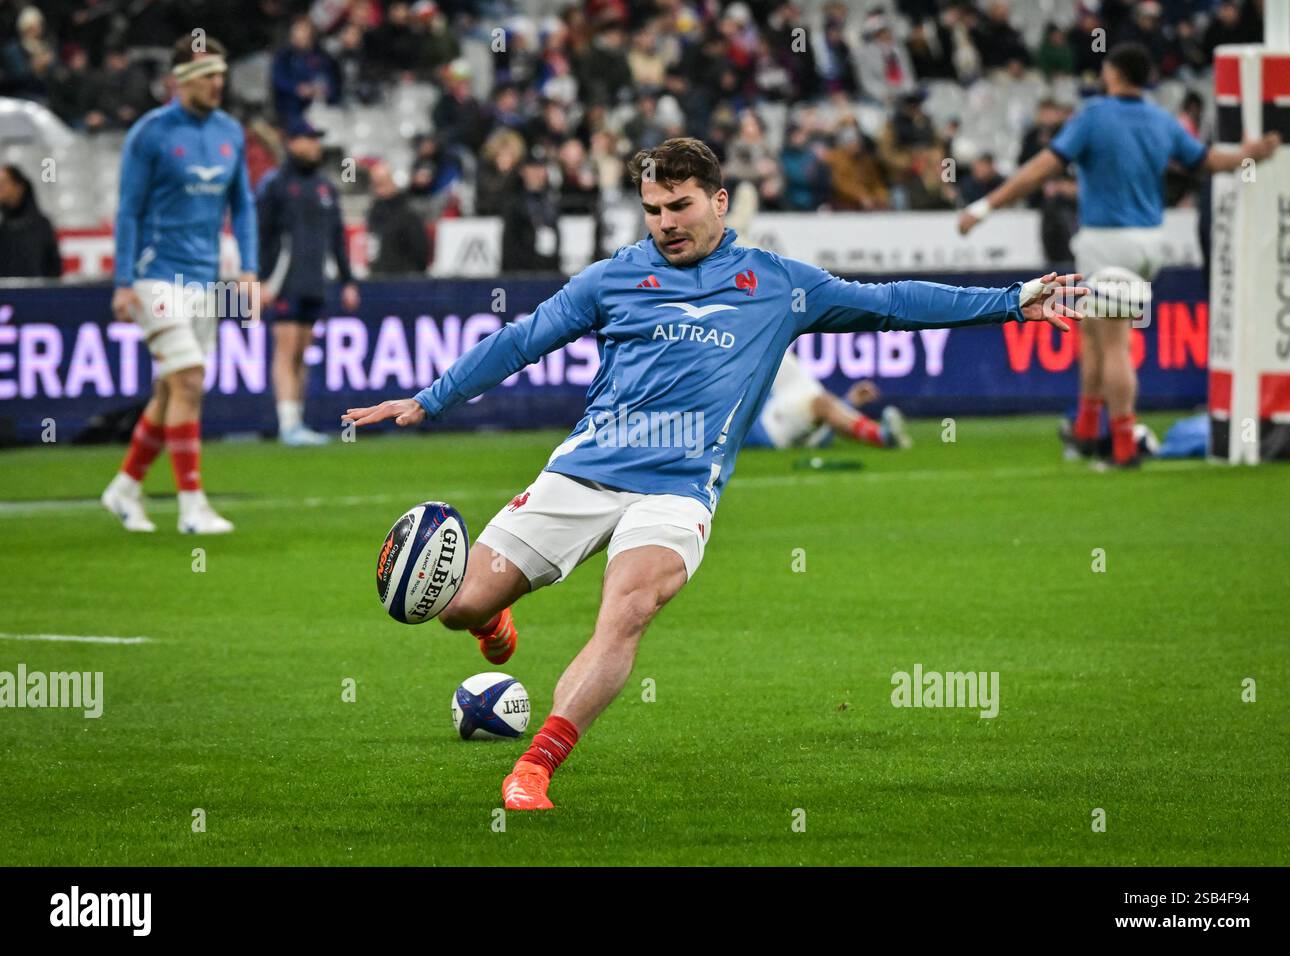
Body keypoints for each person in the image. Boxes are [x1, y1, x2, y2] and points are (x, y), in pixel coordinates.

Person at [344, 137, 1082, 811]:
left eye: (681, 205)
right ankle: (494, 619)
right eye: (653, 209)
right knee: (456, 605)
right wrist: (430, 398)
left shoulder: (778, 285)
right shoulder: (613, 279)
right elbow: (522, 339)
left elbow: (888, 304)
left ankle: (535, 766)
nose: (666, 221)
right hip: (582, 473)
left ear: (720, 202)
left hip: (676, 492)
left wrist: (1013, 301)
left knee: (627, 609)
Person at [958, 43, 1279, 469]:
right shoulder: (1161, 120)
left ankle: (1124, 447)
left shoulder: (1093, 116)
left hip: (1106, 242)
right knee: (1092, 332)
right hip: (1148, 240)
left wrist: (985, 206)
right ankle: (1088, 430)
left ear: (1112, 73)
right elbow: (1208, 162)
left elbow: (1043, 167)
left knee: (1114, 343)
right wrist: (1247, 154)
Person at [100, 36, 258, 534]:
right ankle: (192, 507)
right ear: (181, 79)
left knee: (172, 390)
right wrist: (123, 282)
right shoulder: (149, 134)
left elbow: (244, 206)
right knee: (189, 377)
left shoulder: (230, 130)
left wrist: (249, 270)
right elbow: (128, 210)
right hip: (155, 276)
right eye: (208, 74)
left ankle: (124, 488)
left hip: (207, 281)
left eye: (221, 74)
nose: (219, 83)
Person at [257, 119, 360, 446]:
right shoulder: (274, 185)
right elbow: (261, 235)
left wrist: (347, 279)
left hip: (314, 280)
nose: (315, 146)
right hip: (284, 280)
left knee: (302, 351)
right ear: (292, 143)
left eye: (317, 140)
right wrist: (259, 278)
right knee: (287, 349)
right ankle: (288, 423)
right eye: (309, 139)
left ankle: (297, 420)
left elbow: (336, 238)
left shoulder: (325, 187)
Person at [744, 352, 910, 451]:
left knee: (820, 403)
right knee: (821, 403)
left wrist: (848, 403)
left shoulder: (768, 347)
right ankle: (881, 436)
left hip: (784, 424)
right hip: (769, 427)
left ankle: (881, 435)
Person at [365, 161, 430, 276]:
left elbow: (421, 254)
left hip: (402, 282)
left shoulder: (409, 214)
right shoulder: (373, 213)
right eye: (375, 184)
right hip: (378, 280)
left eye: (382, 183)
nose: (378, 189)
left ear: (394, 182)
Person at [0, 164, 61, 278]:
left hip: (35, 293)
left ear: (19, 187)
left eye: (3, 184)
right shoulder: (2, 226)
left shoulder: (40, 225)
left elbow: (53, 268)